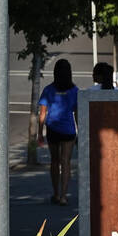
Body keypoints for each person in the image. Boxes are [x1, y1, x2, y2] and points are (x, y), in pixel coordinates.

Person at [37, 59, 78, 205]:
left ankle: (55, 193)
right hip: (68, 130)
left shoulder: (48, 90)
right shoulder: (74, 90)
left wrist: (39, 133)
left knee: (54, 161)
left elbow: (42, 114)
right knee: (66, 162)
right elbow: (77, 113)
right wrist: (81, 132)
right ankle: (64, 195)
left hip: (53, 129)